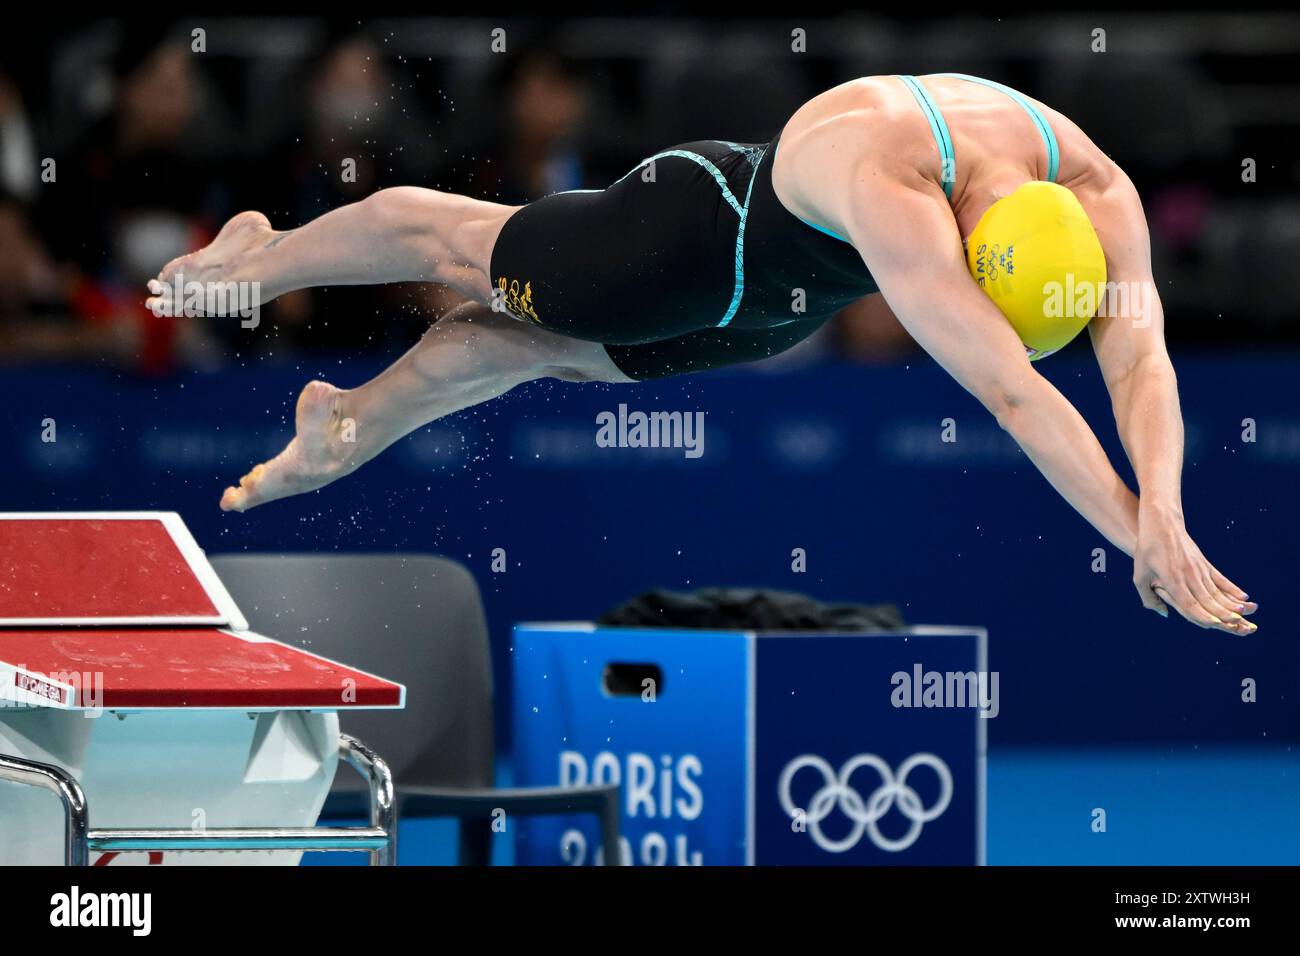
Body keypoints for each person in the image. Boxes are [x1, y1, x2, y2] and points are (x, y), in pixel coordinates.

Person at [148, 72, 1256, 635]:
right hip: (682, 239)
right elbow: (1014, 395)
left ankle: (348, 422)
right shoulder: (896, 185)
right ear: (968, 247)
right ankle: (270, 252)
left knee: (528, 352)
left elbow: (1138, 357)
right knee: (461, 245)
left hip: (766, 313)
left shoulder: (1096, 186)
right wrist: (1134, 540)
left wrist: (1163, 503)